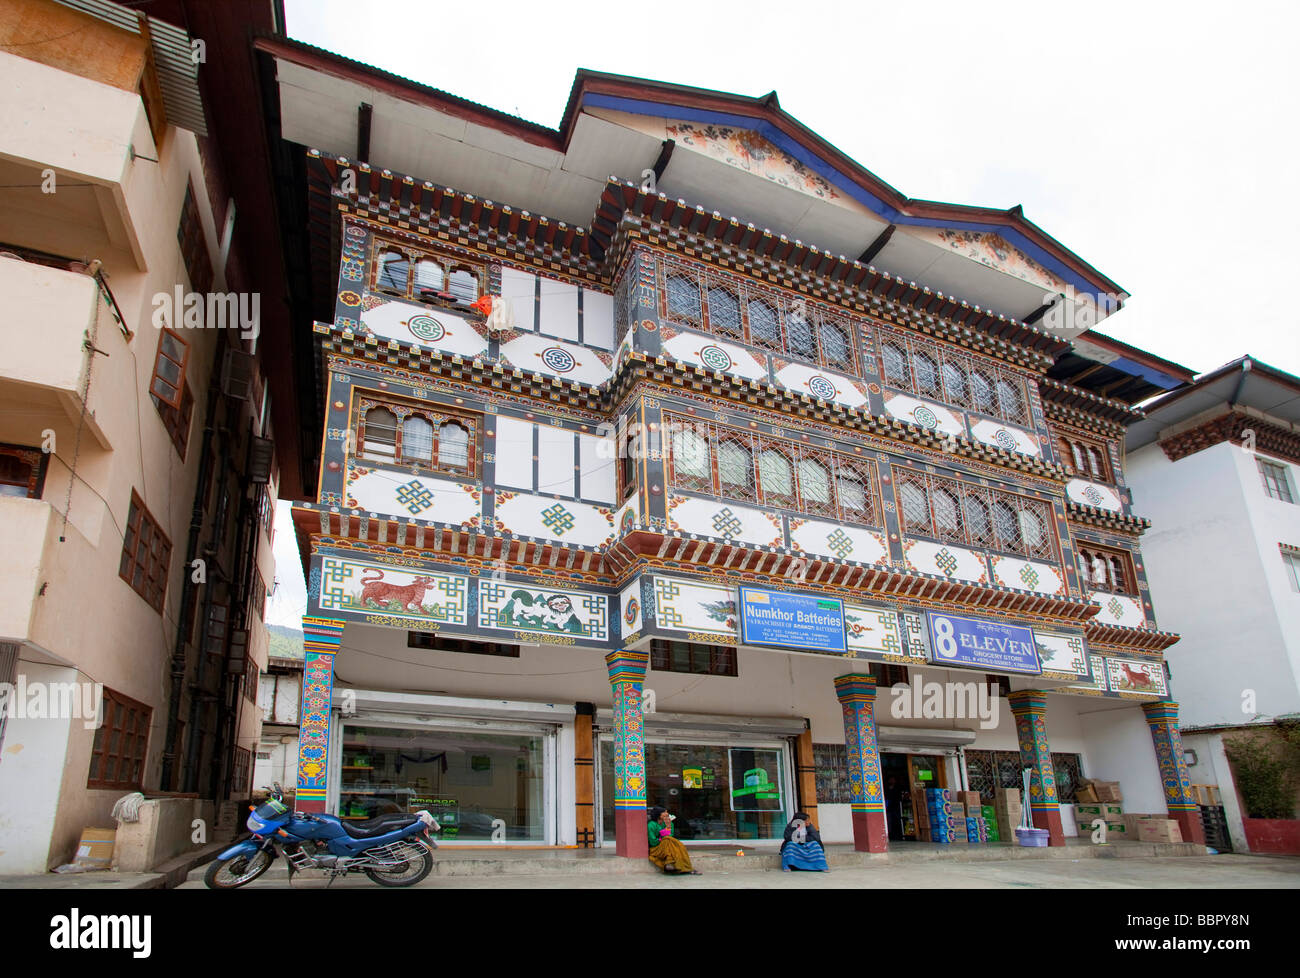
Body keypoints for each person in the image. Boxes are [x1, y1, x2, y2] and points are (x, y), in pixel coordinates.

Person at [647, 806, 701, 875]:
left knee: (679, 845)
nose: (667, 814)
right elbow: (653, 842)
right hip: (656, 849)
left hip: (668, 846)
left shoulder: (669, 823)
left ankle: (687, 867)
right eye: (664, 812)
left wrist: (668, 827)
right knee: (667, 840)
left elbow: (671, 836)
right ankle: (669, 862)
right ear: (658, 815)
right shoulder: (651, 825)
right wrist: (663, 838)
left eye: (667, 812)